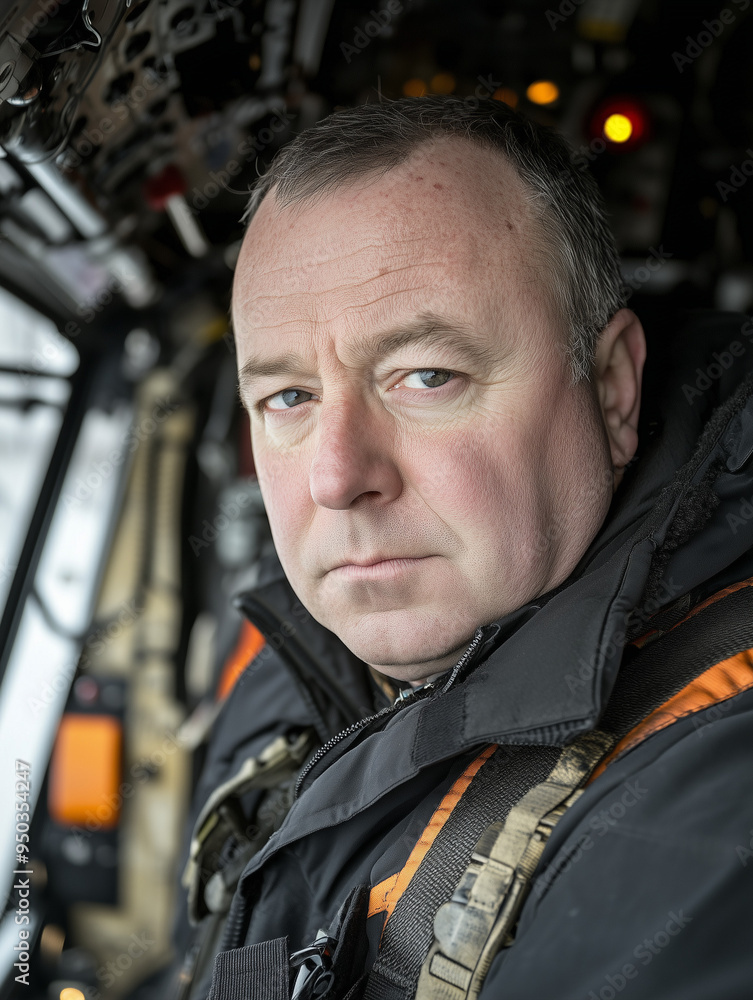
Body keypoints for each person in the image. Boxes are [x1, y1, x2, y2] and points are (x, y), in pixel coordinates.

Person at [175, 97, 753, 1000]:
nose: (336, 477)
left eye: (426, 376)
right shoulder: (290, 655)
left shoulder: (711, 803)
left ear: (610, 390)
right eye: (288, 397)